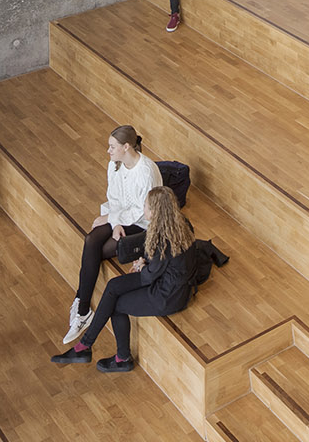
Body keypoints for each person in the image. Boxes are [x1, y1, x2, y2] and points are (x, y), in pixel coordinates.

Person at [51, 187, 227, 373]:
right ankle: (85, 347)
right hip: (171, 285)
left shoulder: (164, 238)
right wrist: (145, 260)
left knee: (116, 304)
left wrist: (142, 266)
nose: (143, 209)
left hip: (167, 295)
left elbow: (150, 275)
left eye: (145, 206)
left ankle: (113, 356)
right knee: (113, 287)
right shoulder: (181, 223)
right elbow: (163, 261)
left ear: (155, 211)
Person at [62, 126, 161, 345]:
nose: (108, 151)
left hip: (143, 224)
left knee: (103, 248)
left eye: (112, 147)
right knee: (92, 239)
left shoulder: (146, 171)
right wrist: (113, 221)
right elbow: (114, 198)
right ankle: (83, 306)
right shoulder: (114, 164)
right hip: (121, 217)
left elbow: (142, 210)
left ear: (126, 147)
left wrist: (112, 221)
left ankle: (82, 304)